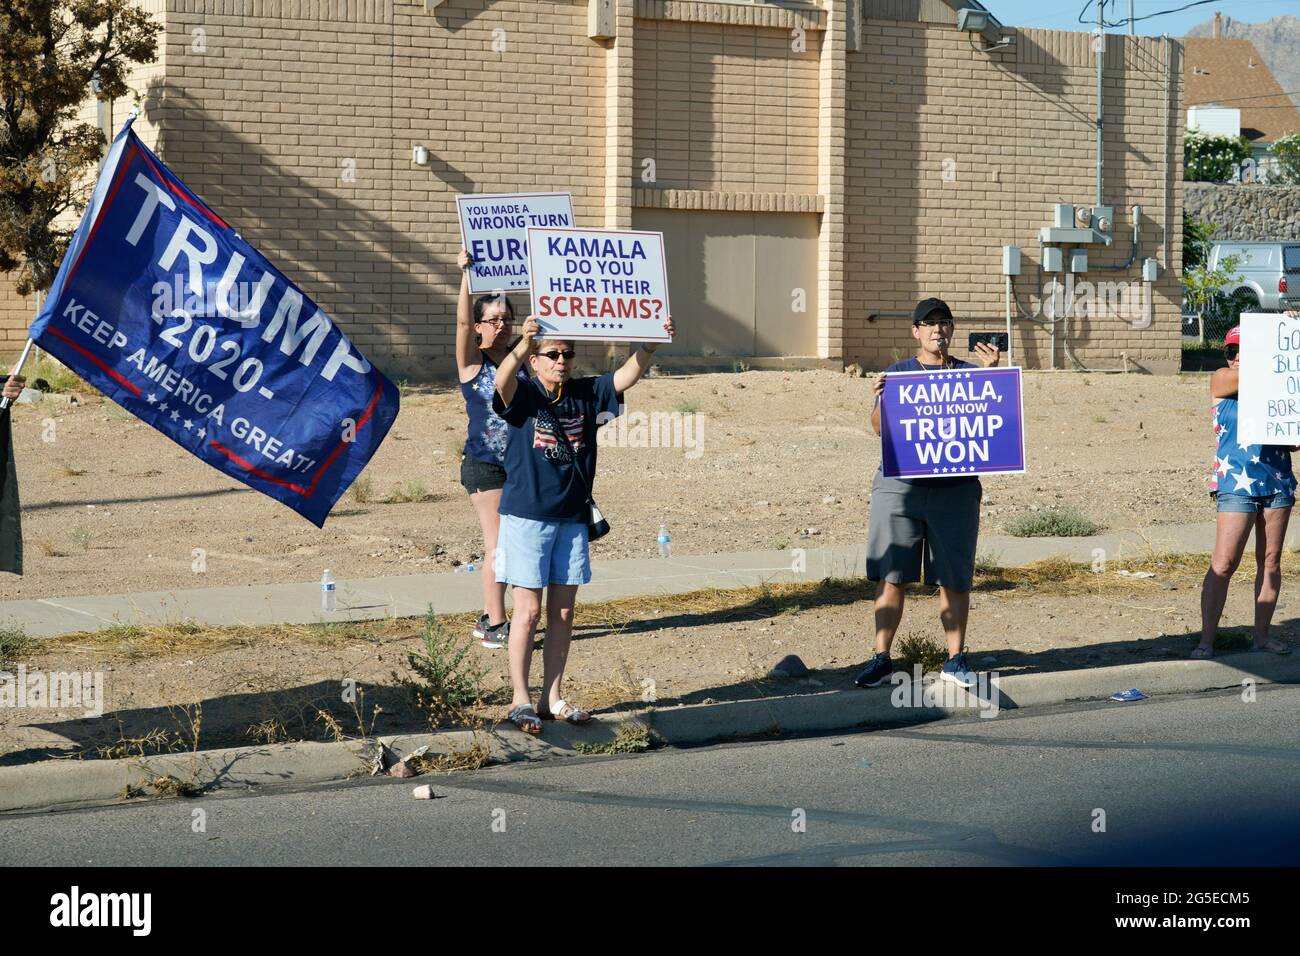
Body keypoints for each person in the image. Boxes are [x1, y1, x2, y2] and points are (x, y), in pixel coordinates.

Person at [493, 313, 673, 733]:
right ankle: (520, 699)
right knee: (528, 609)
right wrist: (523, 343)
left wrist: (650, 344)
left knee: (564, 610)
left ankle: (551, 697)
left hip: (572, 517)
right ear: (535, 362)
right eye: (552, 354)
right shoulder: (524, 393)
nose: (561, 361)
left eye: (567, 354)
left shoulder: (585, 393)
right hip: (527, 516)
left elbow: (625, 377)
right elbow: (502, 382)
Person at [855, 297, 1001, 690]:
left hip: (954, 492)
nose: (938, 329)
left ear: (952, 330)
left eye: (944, 322)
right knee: (891, 575)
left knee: (953, 577)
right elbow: (878, 429)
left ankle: (955, 660)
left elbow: (991, 424)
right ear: (916, 331)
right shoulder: (898, 374)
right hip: (899, 489)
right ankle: (881, 659)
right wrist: (882, 401)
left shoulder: (970, 375)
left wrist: (991, 377)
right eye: (929, 323)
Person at [1194, 315, 1300, 658]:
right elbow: (1254, 373)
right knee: (1224, 563)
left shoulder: (1279, 387)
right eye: (1231, 349)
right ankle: (1206, 641)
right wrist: (1280, 338)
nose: (1236, 355)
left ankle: (1262, 637)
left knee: (1270, 561)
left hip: (1277, 479)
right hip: (1236, 483)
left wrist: (1288, 337)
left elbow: (1293, 442)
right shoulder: (1223, 379)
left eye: (1244, 348)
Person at [455, 249, 528, 649]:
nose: (500, 326)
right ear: (480, 326)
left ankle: (507, 615)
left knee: (518, 543)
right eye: (492, 320)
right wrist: (467, 276)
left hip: (523, 465)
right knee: (498, 544)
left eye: (506, 319)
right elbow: (462, 322)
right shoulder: (472, 363)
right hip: (485, 465)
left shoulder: (525, 357)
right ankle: (496, 624)